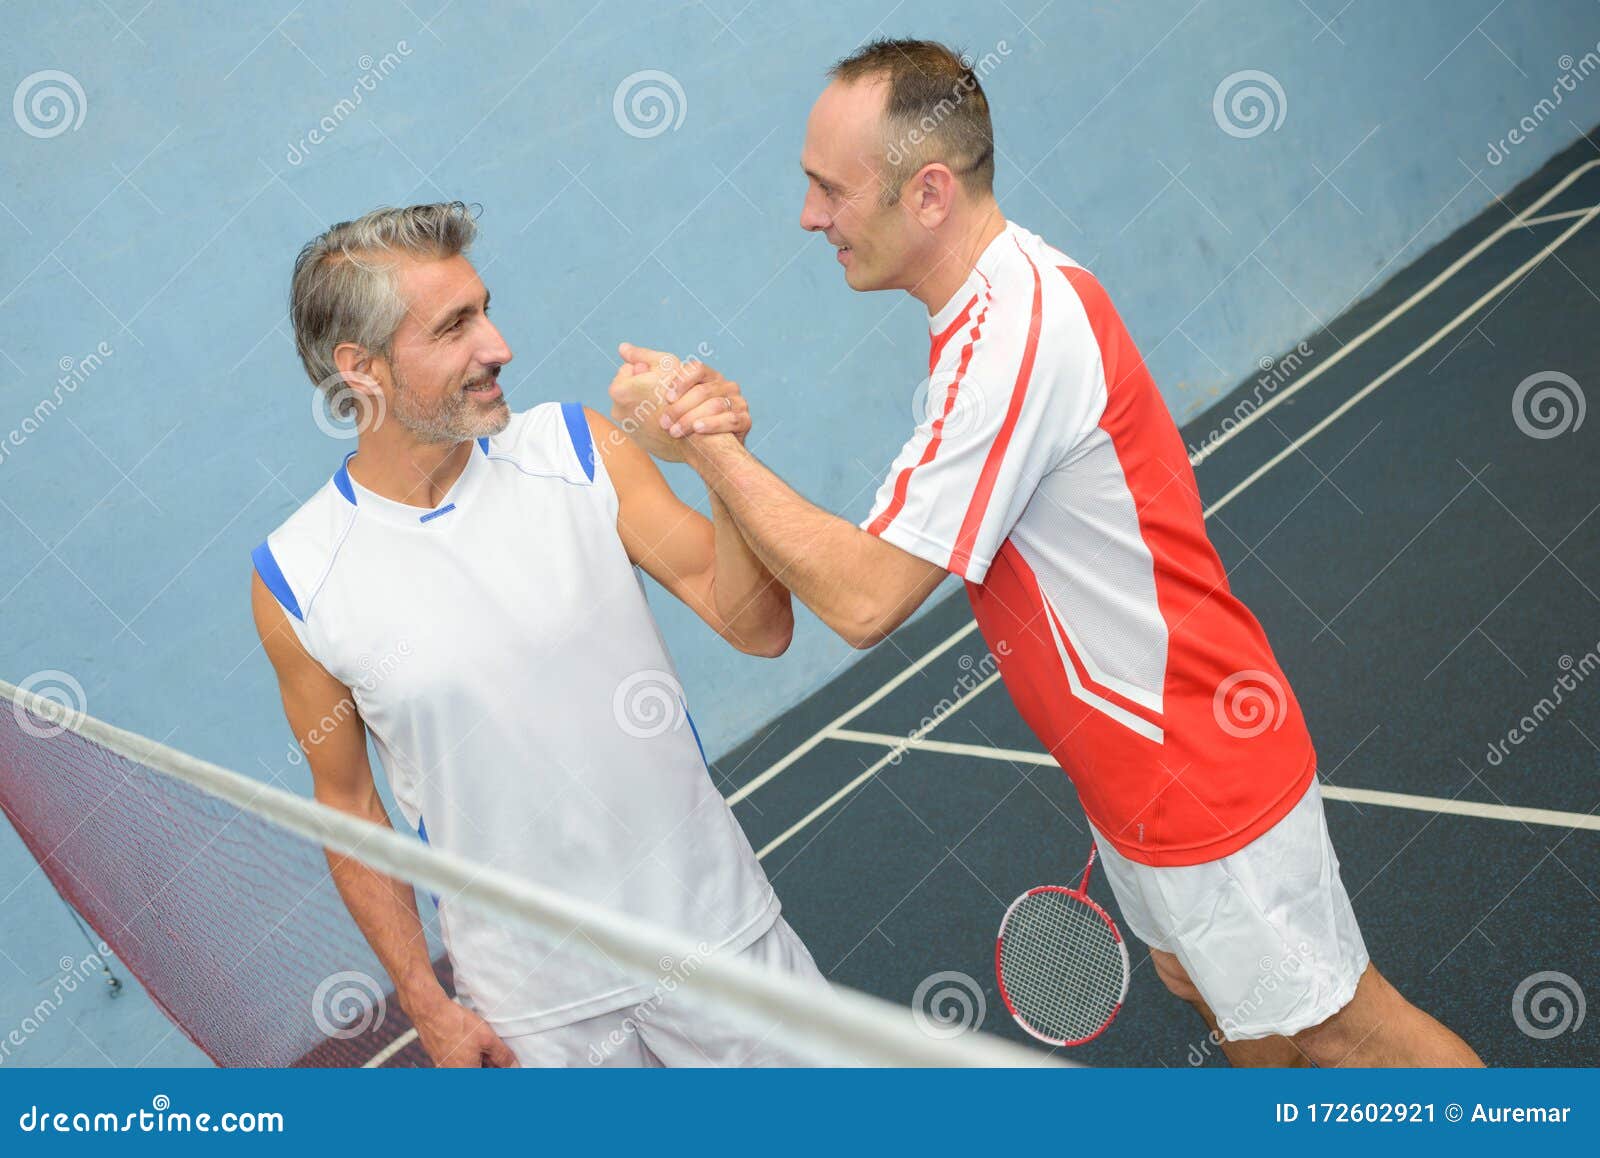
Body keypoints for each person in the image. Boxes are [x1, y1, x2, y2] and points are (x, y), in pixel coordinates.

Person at [612, 39, 1482, 1067]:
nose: (811, 217)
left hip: (1194, 753)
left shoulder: (1012, 342)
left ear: (927, 193)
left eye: (828, 189)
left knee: (1345, 1034)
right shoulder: (986, 315)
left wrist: (704, 447)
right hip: (1132, 774)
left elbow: (862, 599)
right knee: (1209, 992)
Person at [250, 202, 824, 1067]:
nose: (498, 345)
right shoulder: (297, 577)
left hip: (721, 947)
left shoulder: (579, 449)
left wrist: (718, 459)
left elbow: (760, 627)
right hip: (535, 1018)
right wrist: (425, 1002)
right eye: (456, 327)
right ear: (359, 369)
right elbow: (352, 809)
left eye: (485, 308)